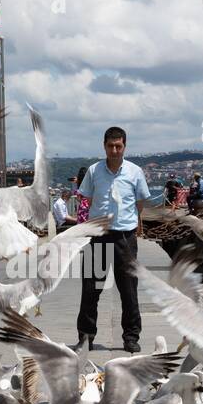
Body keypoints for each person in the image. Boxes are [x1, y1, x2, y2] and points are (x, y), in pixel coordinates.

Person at [76, 126, 150, 353]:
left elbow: (140, 202)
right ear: (104, 146)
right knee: (90, 288)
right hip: (98, 235)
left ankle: (131, 337)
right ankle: (85, 336)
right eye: (111, 146)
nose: (115, 150)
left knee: (128, 290)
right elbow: (85, 199)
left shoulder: (135, 172)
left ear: (124, 146)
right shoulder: (93, 170)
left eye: (119, 146)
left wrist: (135, 223)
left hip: (125, 237)